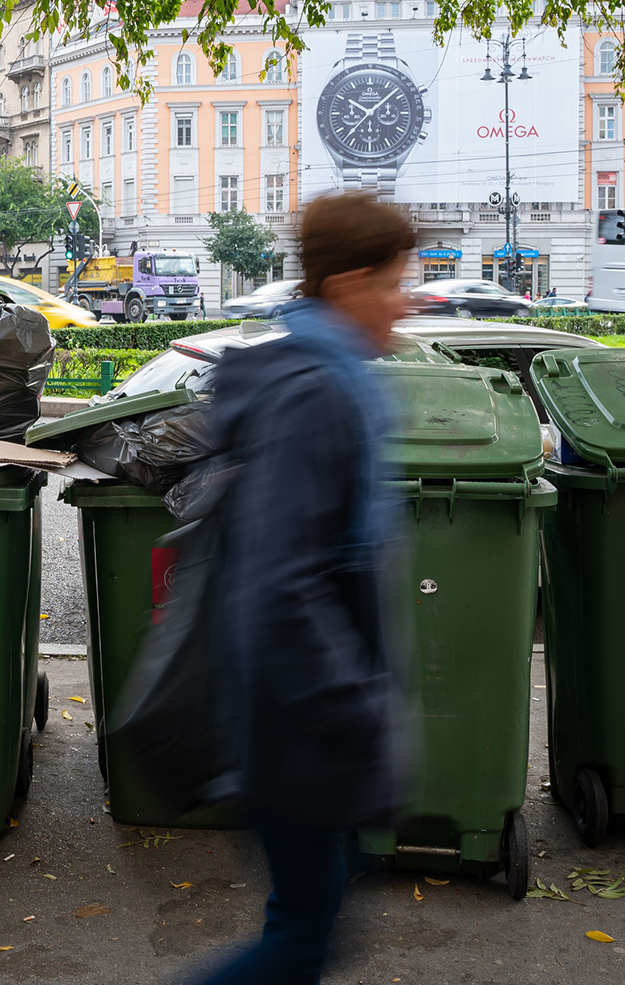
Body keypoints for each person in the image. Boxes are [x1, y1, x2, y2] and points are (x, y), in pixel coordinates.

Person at [199, 191, 414, 985]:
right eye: (393, 284)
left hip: (303, 713)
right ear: (348, 284)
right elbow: (282, 584)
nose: (405, 304)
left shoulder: (327, 378)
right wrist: (355, 710)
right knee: (301, 935)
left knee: (315, 913)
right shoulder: (317, 392)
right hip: (301, 720)